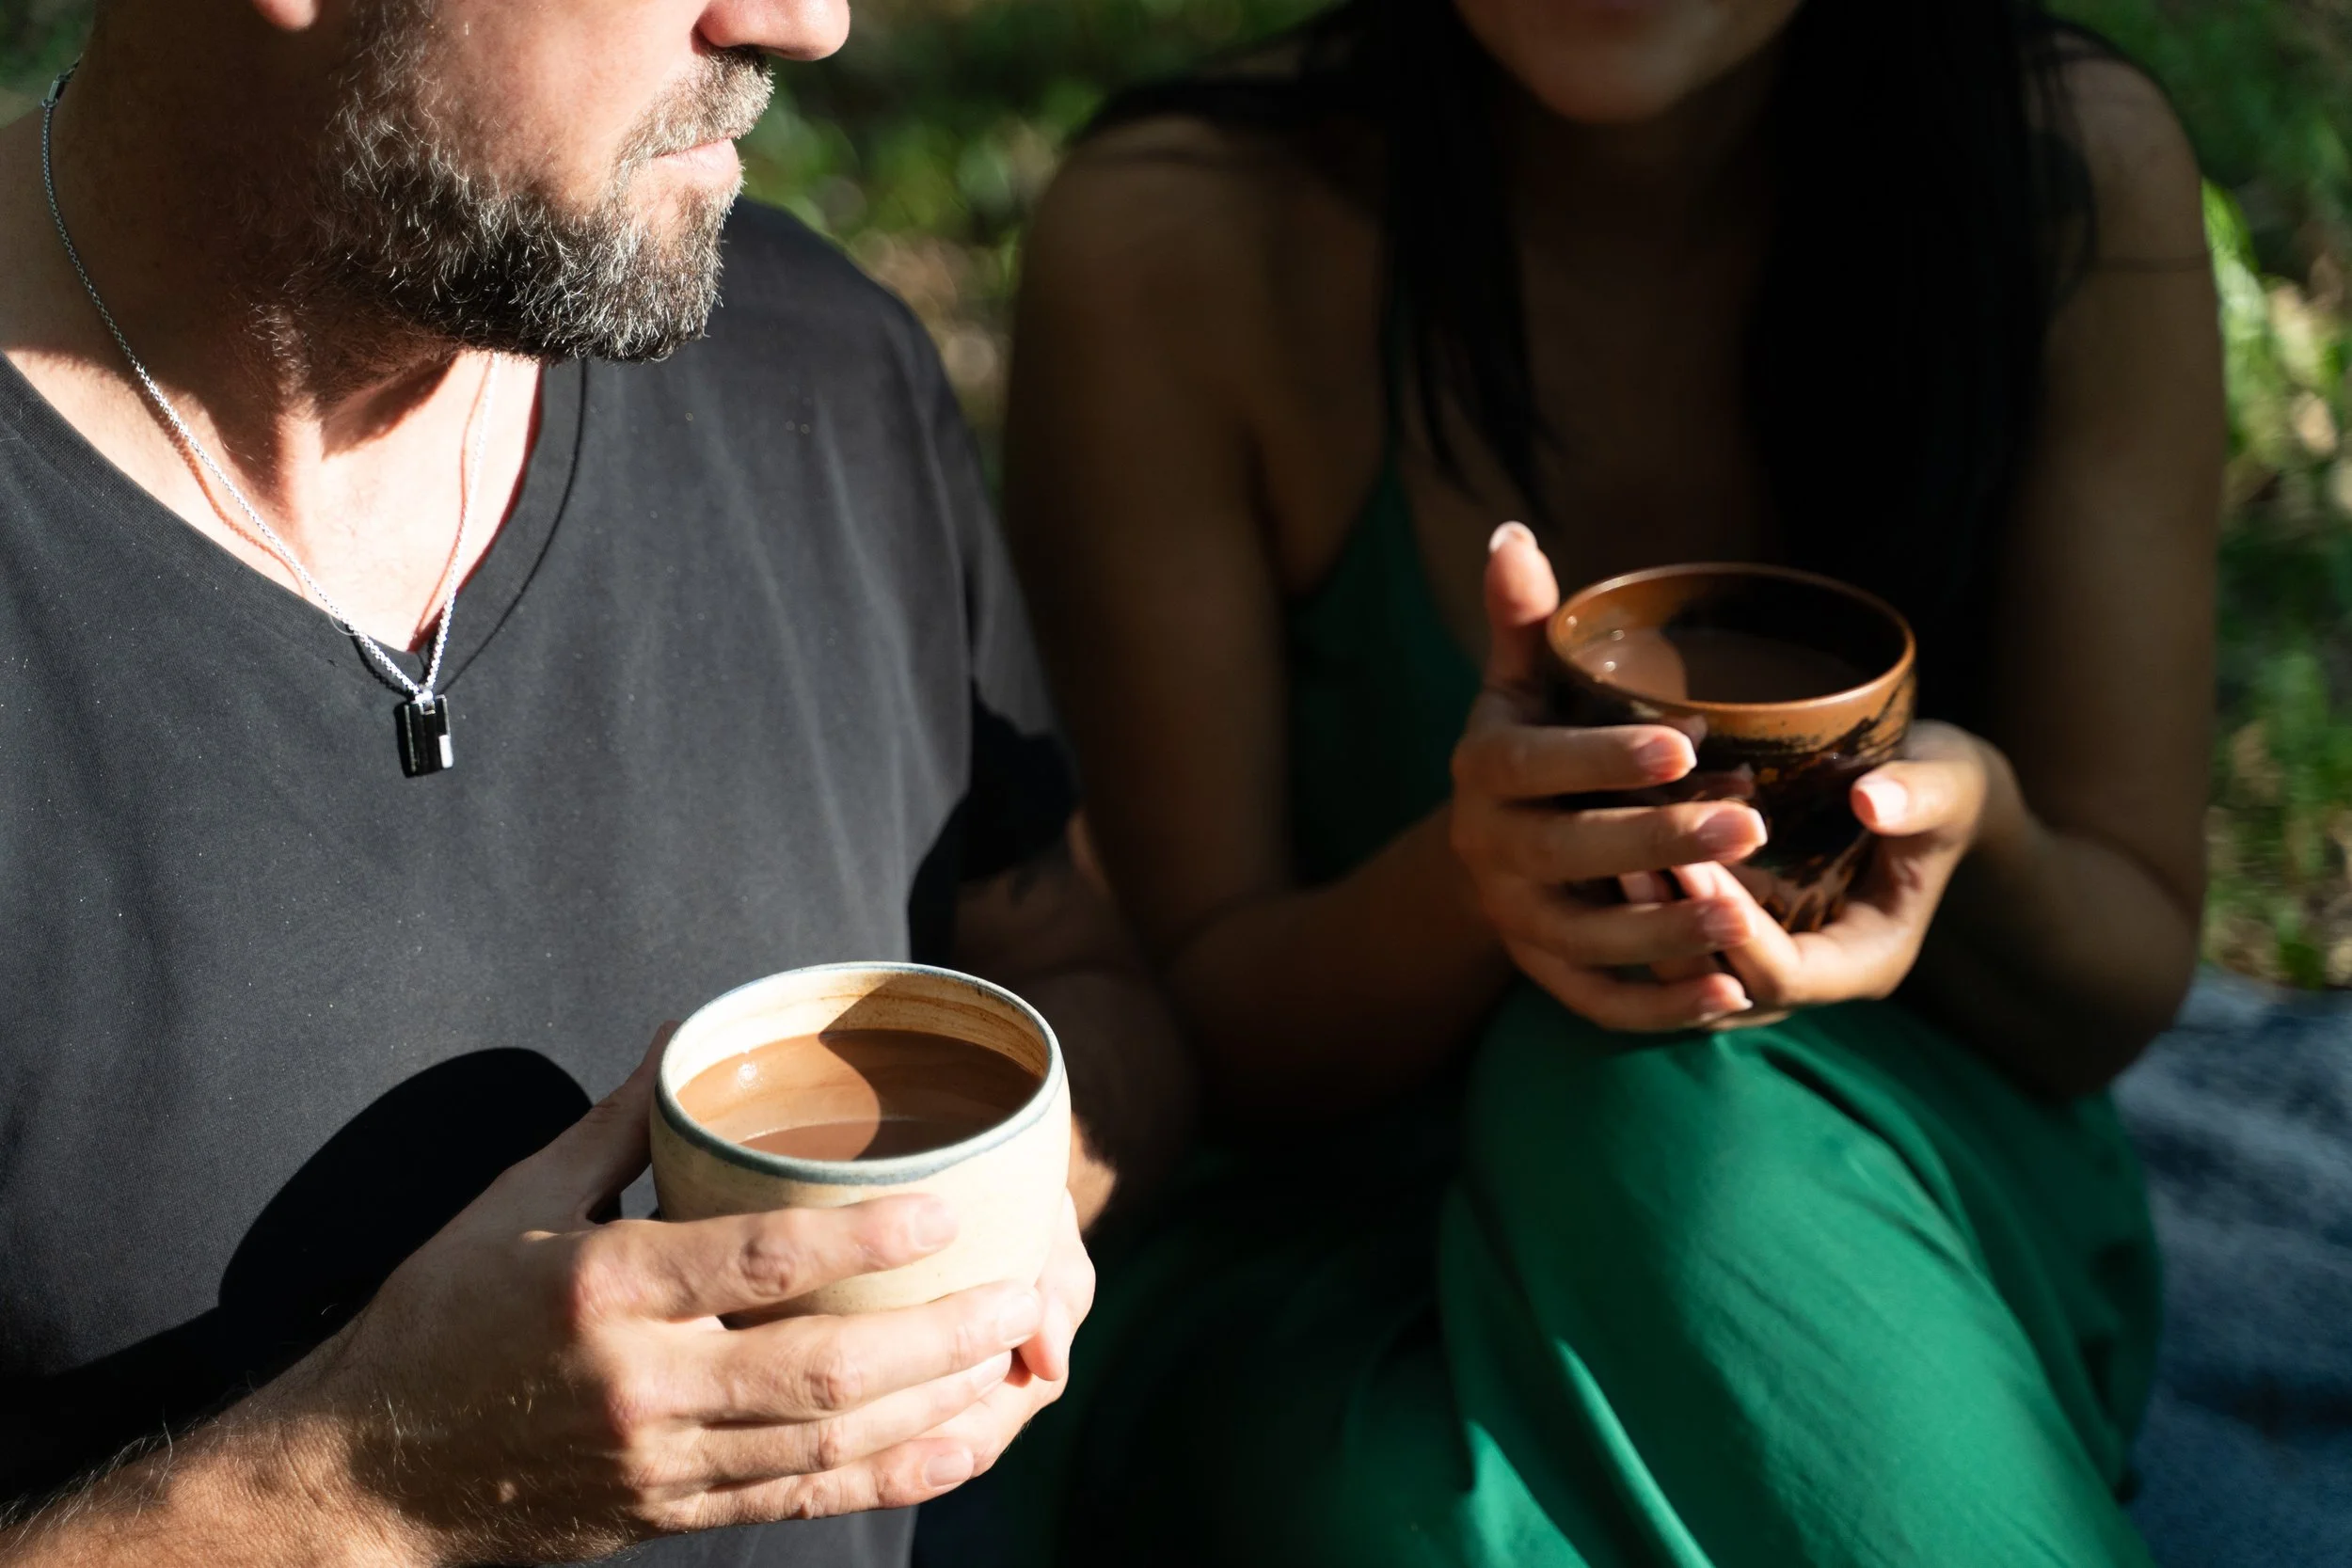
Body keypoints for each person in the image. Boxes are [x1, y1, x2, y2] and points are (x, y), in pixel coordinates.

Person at [997, 0, 2221, 1560]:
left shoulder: (2062, 178)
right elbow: (1181, 1035)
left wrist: (1964, 830)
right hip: (1344, 1245)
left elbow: (2117, 974)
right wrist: (1475, 876)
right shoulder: (1183, 234)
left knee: (1650, 1109)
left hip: (1885, 1186)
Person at [0, 2, 1194, 1565]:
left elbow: (1082, 991)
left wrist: (978, 1214)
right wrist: (361, 1491)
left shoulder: (825, 377)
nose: (805, 22)